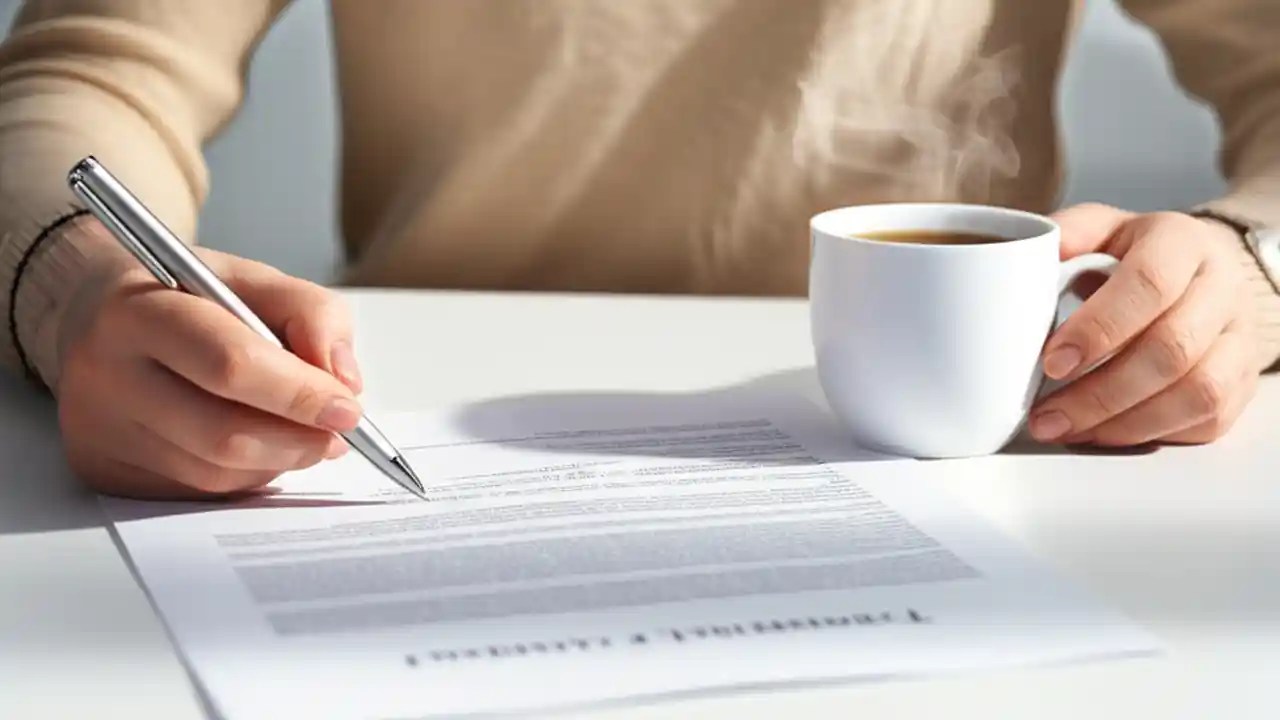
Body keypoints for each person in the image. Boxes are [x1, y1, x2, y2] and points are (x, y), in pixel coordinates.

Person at [0, 1, 1277, 500]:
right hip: (429, 415)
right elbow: (86, 76)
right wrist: (72, 286)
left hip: (996, 496)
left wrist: (1248, 265)